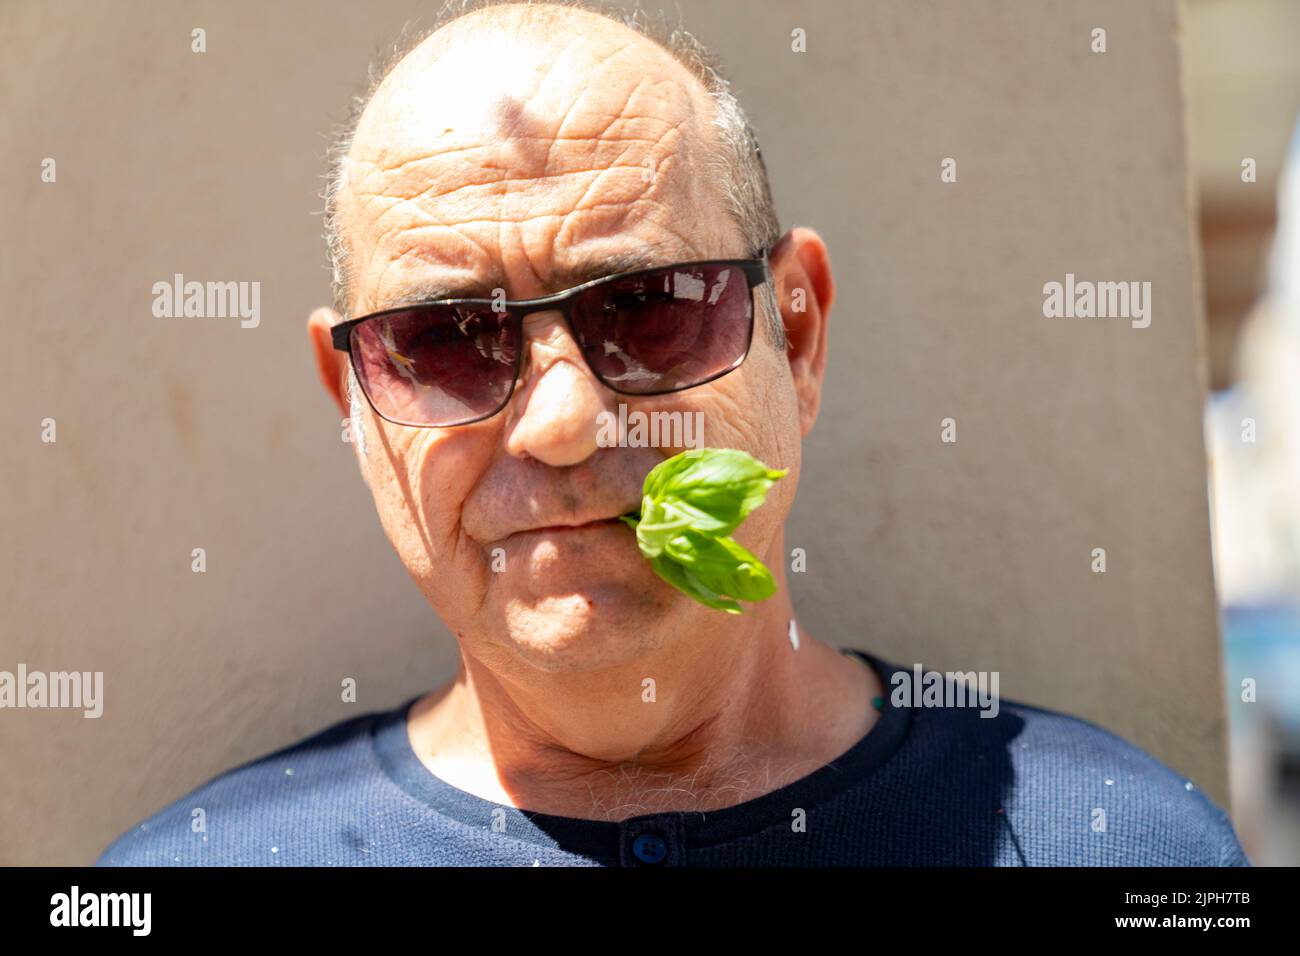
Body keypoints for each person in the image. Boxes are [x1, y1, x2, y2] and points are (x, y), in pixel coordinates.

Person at [97, 0, 1249, 866]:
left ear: (793, 334)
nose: (557, 423)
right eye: (444, 340)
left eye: (647, 307)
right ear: (354, 400)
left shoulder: (1124, 848)